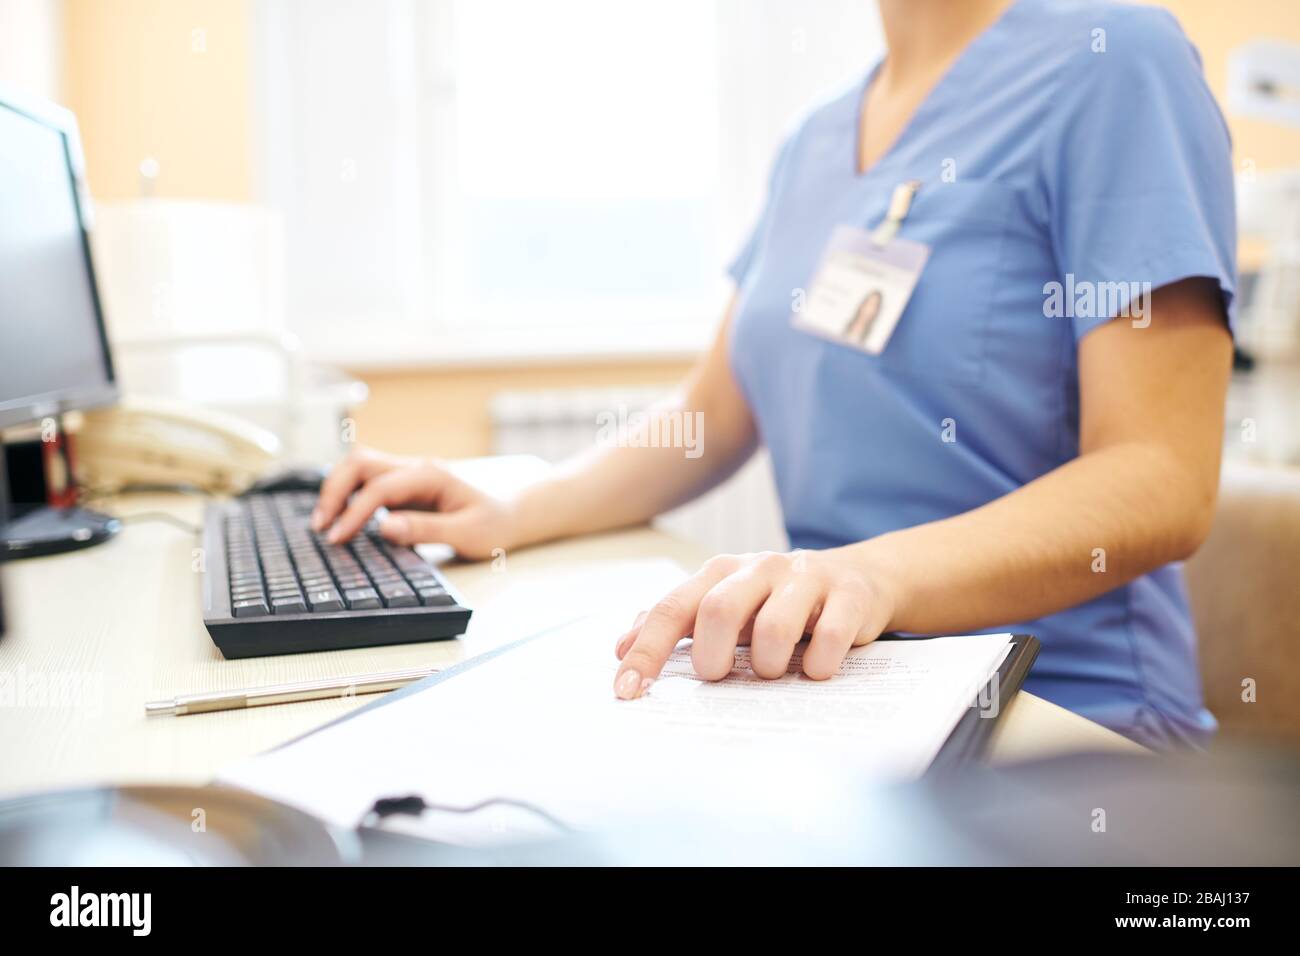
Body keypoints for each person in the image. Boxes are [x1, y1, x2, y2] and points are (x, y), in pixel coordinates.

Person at [311, 0, 1236, 750]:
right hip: (831, 692)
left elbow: (1162, 477)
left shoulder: (1116, 61)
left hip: (1062, 721)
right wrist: (517, 507)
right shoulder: (815, 138)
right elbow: (715, 410)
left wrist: (870, 578)